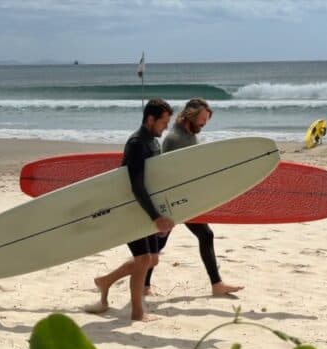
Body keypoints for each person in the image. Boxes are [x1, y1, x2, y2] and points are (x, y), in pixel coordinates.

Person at [85, 99, 175, 321]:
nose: (165, 127)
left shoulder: (153, 142)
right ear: (150, 119)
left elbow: (155, 180)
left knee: (152, 259)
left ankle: (105, 281)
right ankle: (137, 312)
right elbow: (136, 185)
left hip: (144, 207)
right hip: (130, 207)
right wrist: (155, 217)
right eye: (163, 122)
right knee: (144, 259)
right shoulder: (137, 143)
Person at [145, 98, 243, 296]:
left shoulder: (190, 135)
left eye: (207, 119)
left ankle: (144, 284)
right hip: (176, 201)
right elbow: (166, 174)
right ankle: (141, 283)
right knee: (165, 240)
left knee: (168, 241)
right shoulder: (174, 138)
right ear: (190, 115)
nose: (204, 123)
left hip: (186, 200)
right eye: (202, 119)